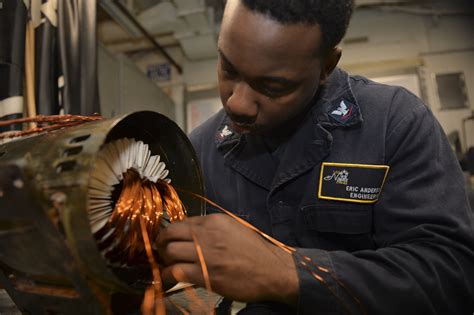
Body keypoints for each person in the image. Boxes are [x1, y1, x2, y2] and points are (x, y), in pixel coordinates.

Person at [156, 0, 474, 313]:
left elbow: (451, 275)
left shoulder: (395, 124)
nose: (237, 104)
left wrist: (286, 272)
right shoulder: (197, 152)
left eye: (273, 87)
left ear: (326, 66)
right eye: (228, 68)